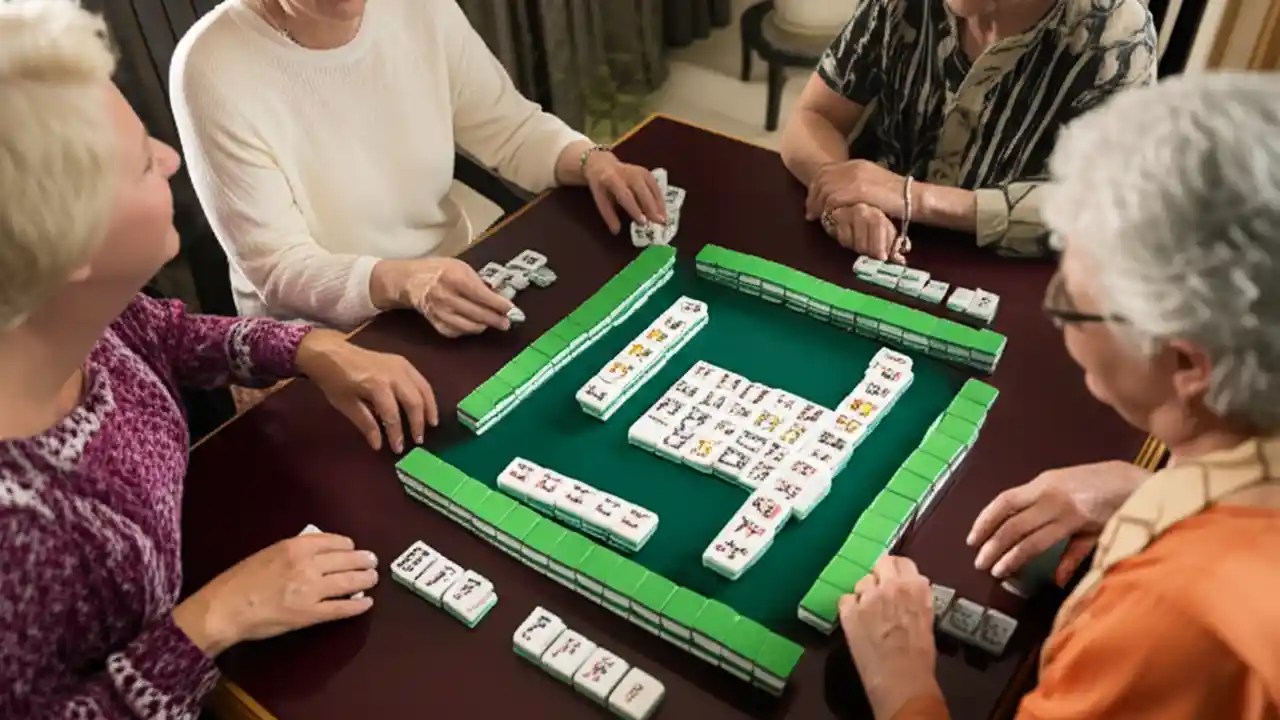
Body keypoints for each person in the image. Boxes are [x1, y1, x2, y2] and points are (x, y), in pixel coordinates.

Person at [0, 1, 442, 715]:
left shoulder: (78, 316)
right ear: (73, 249)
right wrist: (214, 621)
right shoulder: (15, 537)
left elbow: (167, 337)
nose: (172, 158)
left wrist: (309, 346)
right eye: (145, 161)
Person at [839, 73, 1280, 719]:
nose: (1053, 310)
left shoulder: (1177, 619)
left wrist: (902, 683)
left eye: (1074, 300)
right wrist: (1147, 488)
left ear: (1187, 363)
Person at [170, 0, 667, 334]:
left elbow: (508, 126)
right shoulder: (211, 63)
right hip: (327, 338)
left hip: (456, 274)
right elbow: (279, 270)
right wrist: (405, 282)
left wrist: (589, 159)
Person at [779, 0, 1155, 262]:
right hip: (874, 246)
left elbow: (1105, 208)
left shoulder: (1115, 31)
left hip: (1008, 279)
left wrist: (915, 197)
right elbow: (815, 115)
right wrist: (842, 193)